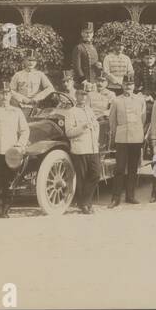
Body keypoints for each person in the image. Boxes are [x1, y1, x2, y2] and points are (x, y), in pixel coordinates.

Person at [0, 85, 29, 218]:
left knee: (9, 181)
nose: (4, 97)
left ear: (10, 96)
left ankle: (6, 210)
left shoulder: (17, 111)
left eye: (7, 94)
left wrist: (19, 146)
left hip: (11, 152)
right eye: (1, 94)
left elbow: (25, 131)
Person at [63, 82, 100, 214]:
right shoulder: (71, 112)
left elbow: (96, 127)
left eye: (85, 94)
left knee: (96, 174)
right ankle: (85, 204)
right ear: (76, 95)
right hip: (79, 149)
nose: (83, 97)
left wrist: (95, 141)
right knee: (82, 177)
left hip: (93, 148)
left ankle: (84, 202)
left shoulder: (90, 110)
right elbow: (69, 132)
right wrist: (83, 127)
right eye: (80, 94)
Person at [108, 81, 147, 207]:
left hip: (136, 137)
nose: (128, 87)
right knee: (119, 168)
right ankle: (116, 198)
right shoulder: (116, 101)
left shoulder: (140, 100)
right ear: (122, 86)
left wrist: (138, 131)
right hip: (122, 137)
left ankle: (130, 196)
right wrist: (115, 135)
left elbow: (143, 118)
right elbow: (112, 120)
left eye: (130, 84)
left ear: (134, 86)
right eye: (125, 84)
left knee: (133, 168)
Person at [71, 23, 100, 88]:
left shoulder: (94, 48)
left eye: (90, 33)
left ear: (92, 34)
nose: (88, 34)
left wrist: (98, 65)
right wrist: (84, 81)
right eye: (86, 32)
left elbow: (95, 66)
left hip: (93, 81)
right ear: (82, 33)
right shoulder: (79, 48)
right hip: (82, 82)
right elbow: (77, 67)